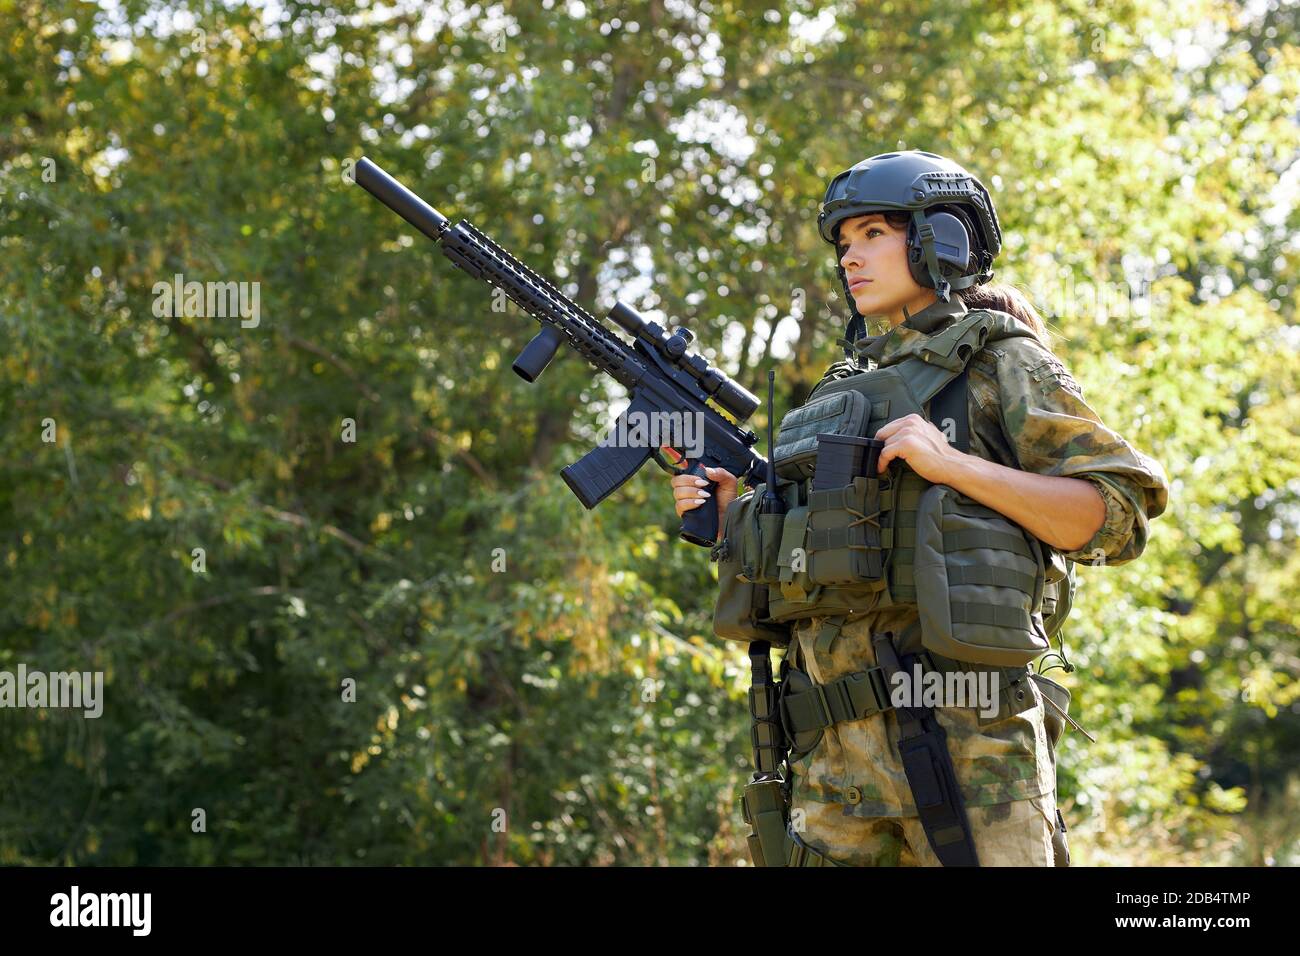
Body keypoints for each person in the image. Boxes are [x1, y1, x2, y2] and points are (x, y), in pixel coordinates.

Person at [670, 150, 1169, 866]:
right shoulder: (834, 398)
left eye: (872, 233)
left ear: (942, 239)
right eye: (844, 244)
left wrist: (953, 464)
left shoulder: (1001, 362)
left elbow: (1115, 516)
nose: (851, 258)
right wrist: (737, 523)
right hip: (831, 765)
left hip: (973, 760)